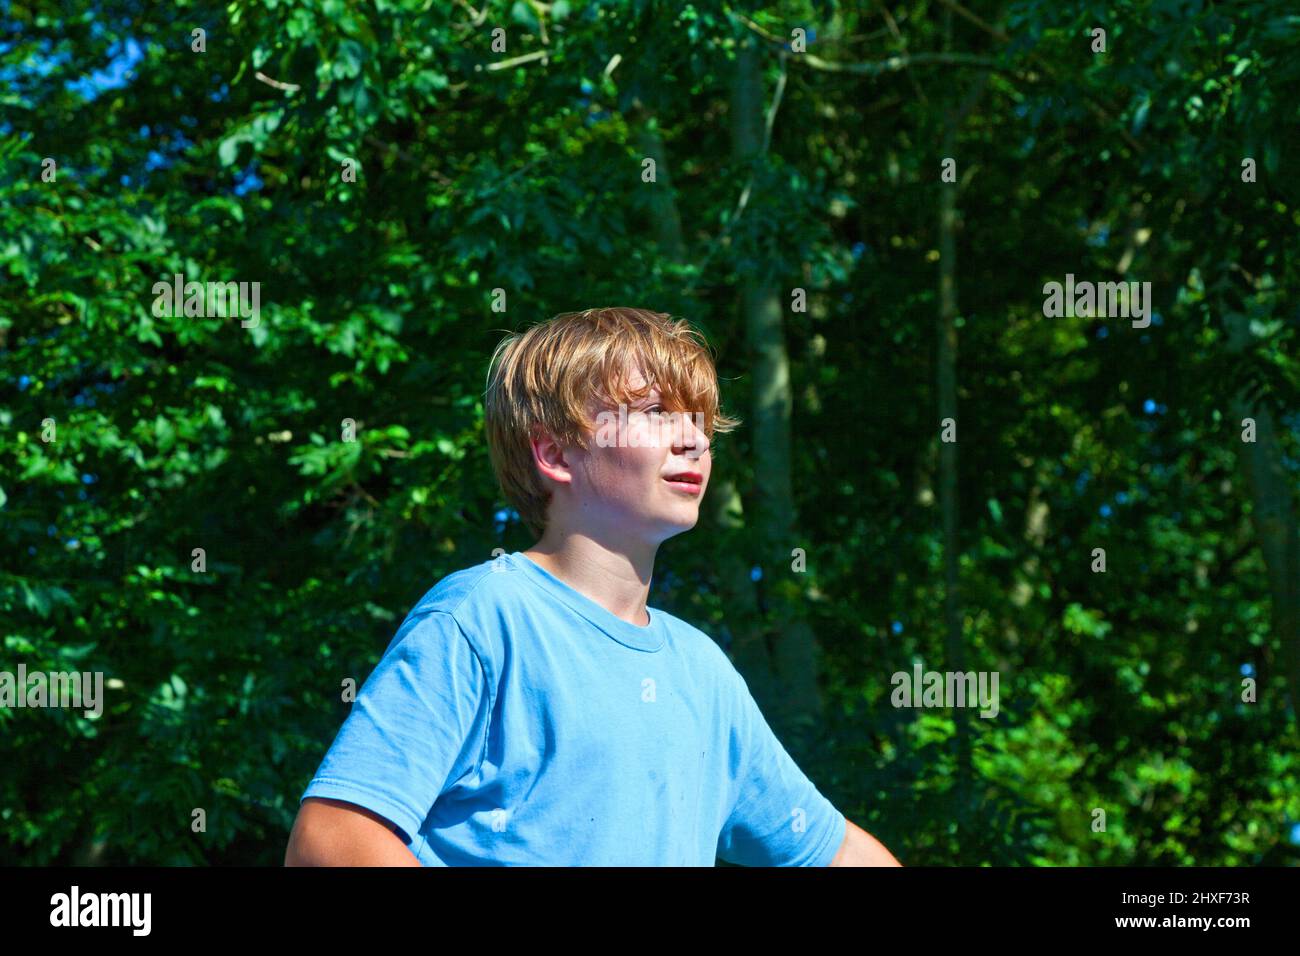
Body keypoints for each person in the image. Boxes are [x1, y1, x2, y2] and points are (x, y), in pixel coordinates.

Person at [285, 307, 901, 866]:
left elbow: (832, 850)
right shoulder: (485, 616)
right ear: (556, 454)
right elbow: (329, 839)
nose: (695, 439)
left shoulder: (703, 673)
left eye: (701, 420)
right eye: (658, 413)